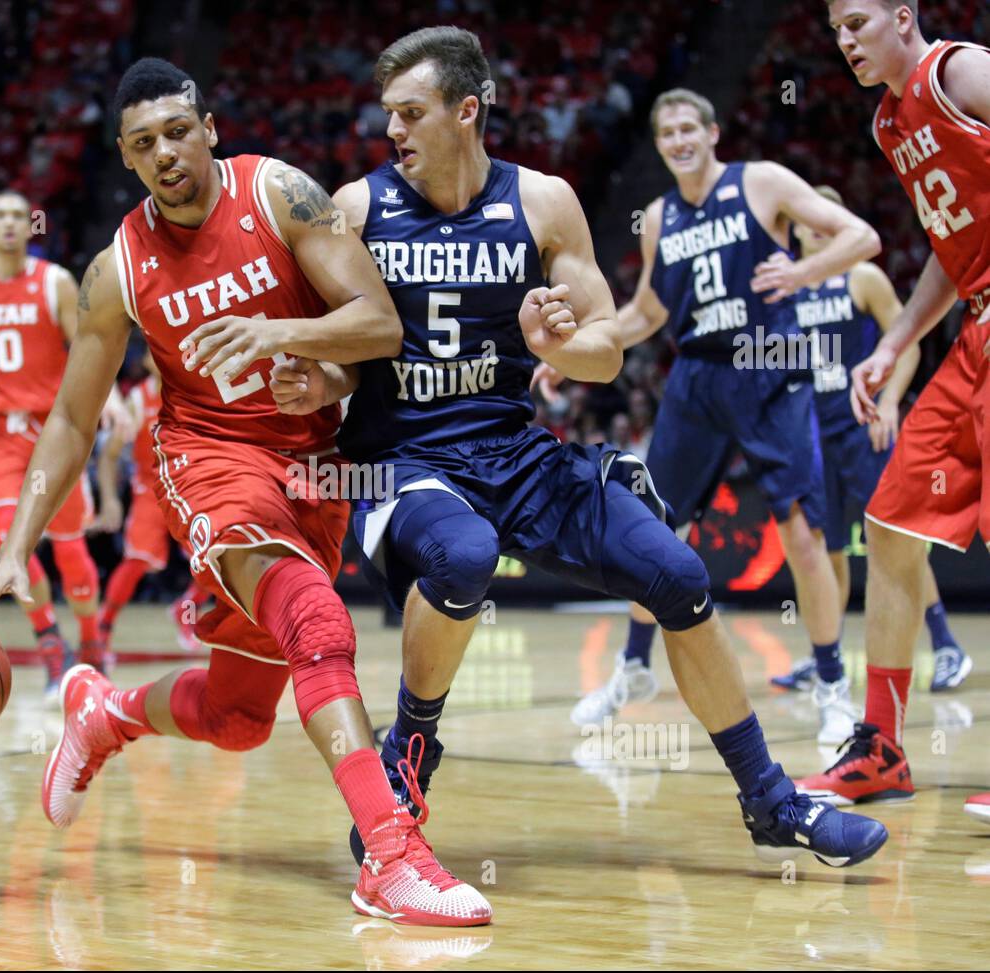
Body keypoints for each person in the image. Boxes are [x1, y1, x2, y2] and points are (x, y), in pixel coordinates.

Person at [271, 27, 888, 872]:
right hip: (405, 458)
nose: (395, 132)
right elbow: (345, 357)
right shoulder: (357, 207)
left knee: (678, 574)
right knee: (463, 553)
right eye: (389, 116)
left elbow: (607, 352)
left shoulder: (544, 203)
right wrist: (318, 384)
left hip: (512, 451)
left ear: (467, 111)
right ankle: (412, 749)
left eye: (411, 113)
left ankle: (771, 801)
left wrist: (556, 345)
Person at [0, 57, 492, 927]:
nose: (165, 152)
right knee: (318, 622)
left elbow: (379, 322)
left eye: (177, 131)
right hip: (208, 458)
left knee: (241, 717)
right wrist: (18, 545)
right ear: (129, 161)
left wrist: (292, 347)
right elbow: (70, 418)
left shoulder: (279, 192)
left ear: (208, 128)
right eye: (143, 144)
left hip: (314, 466)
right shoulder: (116, 270)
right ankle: (391, 859)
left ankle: (105, 712)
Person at [572, 86, 883, 747]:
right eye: (667, 133)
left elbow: (861, 236)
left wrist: (804, 272)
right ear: (658, 145)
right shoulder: (658, 216)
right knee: (649, 527)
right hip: (698, 376)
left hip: (770, 364)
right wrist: (572, 349)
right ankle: (631, 667)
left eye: (689, 127)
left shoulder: (761, 182)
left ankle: (832, 685)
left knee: (802, 531)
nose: (679, 140)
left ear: (713, 133)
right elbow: (647, 314)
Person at [803, 1, 990, 819]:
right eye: (836, 30)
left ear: (902, 17)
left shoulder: (958, 72)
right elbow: (954, 254)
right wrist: (895, 343)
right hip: (974, 329)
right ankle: (880, 748)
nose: (845, 41)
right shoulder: (889, 123)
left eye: (857, 22)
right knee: (891, 523)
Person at [771, 184, 970, 695]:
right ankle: (826, 655)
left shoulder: (861, 276)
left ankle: (947, 644)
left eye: (828, 216)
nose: (816, 226)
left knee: (897, 543)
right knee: (825, 550)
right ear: (791, 227)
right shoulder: (783, 286)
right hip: (810, 439)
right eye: (806, 218)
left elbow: (904, 345)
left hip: (860, 428)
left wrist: (889, 403)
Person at [0, 188, 111, 695]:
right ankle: (51, 647)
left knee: (70, 552)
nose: (10, 224)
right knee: (4, 538)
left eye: (19, 215)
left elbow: (90, 347)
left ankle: (90, 644)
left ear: (28, 226)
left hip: (52, 431)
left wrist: (110, 404)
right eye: (0, 216)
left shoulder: (53, 281)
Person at [95, 352, 211, 653]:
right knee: (137, 561)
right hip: (150, 489)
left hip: (189, 487)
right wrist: (109, 499)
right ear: (147, 361)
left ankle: (185, 611)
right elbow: (108, 456)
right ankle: (102, 626)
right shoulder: (137, 400)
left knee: (215, 560)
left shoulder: (194, 391)